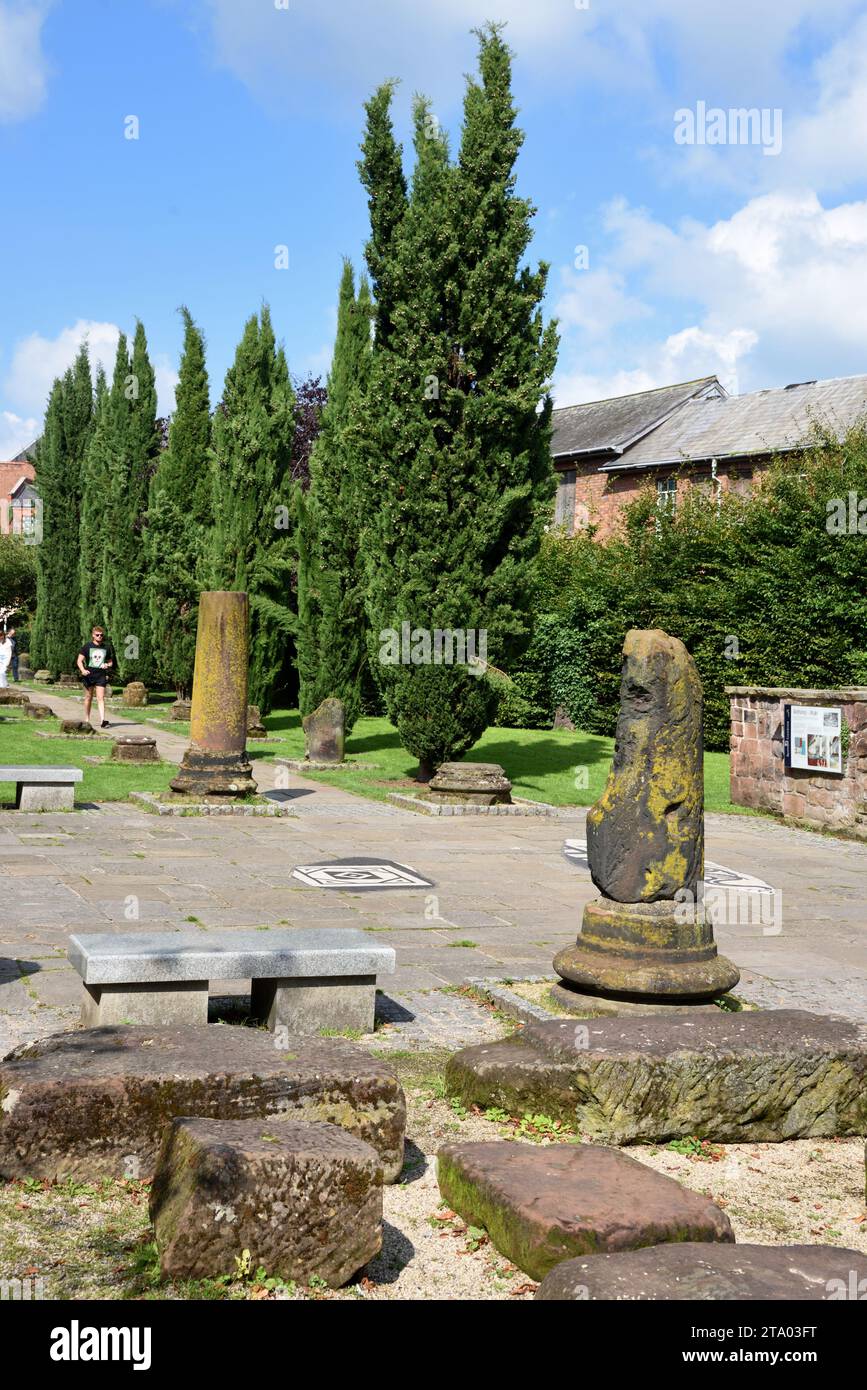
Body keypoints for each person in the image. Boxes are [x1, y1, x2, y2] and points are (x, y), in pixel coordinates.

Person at [76, 624, 116, 728]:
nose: (100, 637)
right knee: (88, 697)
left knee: (100, 698)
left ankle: (103, 720)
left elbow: (111, 662)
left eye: (101, 635)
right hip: (89, 675)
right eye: (97, 635)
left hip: (101, 676)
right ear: (93, 635)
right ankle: (87, 719)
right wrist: (83, 670)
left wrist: (107, 664)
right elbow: (79, 661)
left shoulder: (106, 647)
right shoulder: (87, 646)